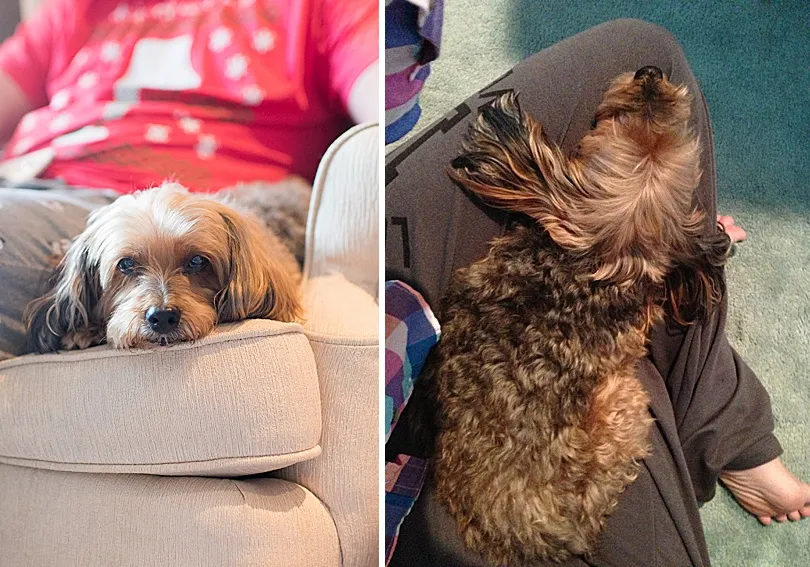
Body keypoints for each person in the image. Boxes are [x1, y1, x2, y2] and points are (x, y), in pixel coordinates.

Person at [384, 19, 809, 566]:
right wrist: (691, 239)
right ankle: (728, 429)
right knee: (634, 385)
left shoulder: (552, 231)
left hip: (480, 434)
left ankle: (728, 428)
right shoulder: (646, 288)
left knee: (646, 56)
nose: (648, 91)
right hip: (521, 483)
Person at [0, 0, 378, 359]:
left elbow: (389, 110)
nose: (162, 306)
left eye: (196, 265)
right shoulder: (77, 8)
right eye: (129, 268)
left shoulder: (318, 8)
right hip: (26, 180)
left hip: (112, 200)